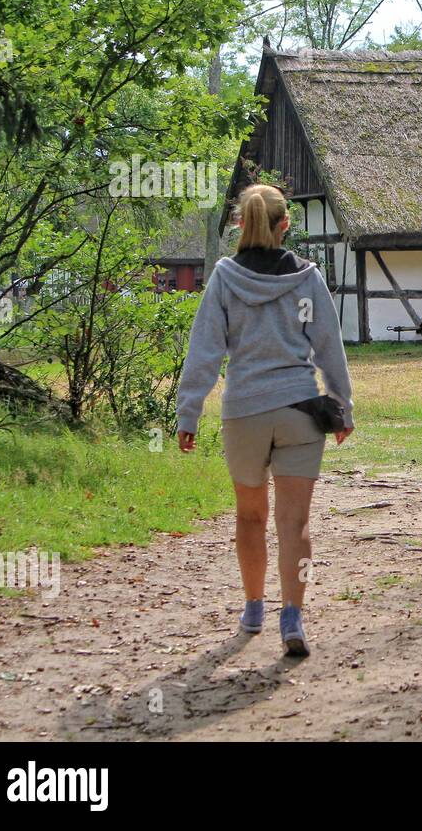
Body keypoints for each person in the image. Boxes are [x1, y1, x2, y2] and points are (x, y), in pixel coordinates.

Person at [175, 184, 354, 658]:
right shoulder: (308, 278)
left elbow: (205, 350)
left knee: (250, 517)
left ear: (241, 223)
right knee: (295, 525)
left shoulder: (223, 278)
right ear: (285, 225)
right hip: (299, 410)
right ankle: (292, 615)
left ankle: (253, 607)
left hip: (245, 412)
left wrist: (188, 411)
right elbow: (329, 347)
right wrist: (343, 405)